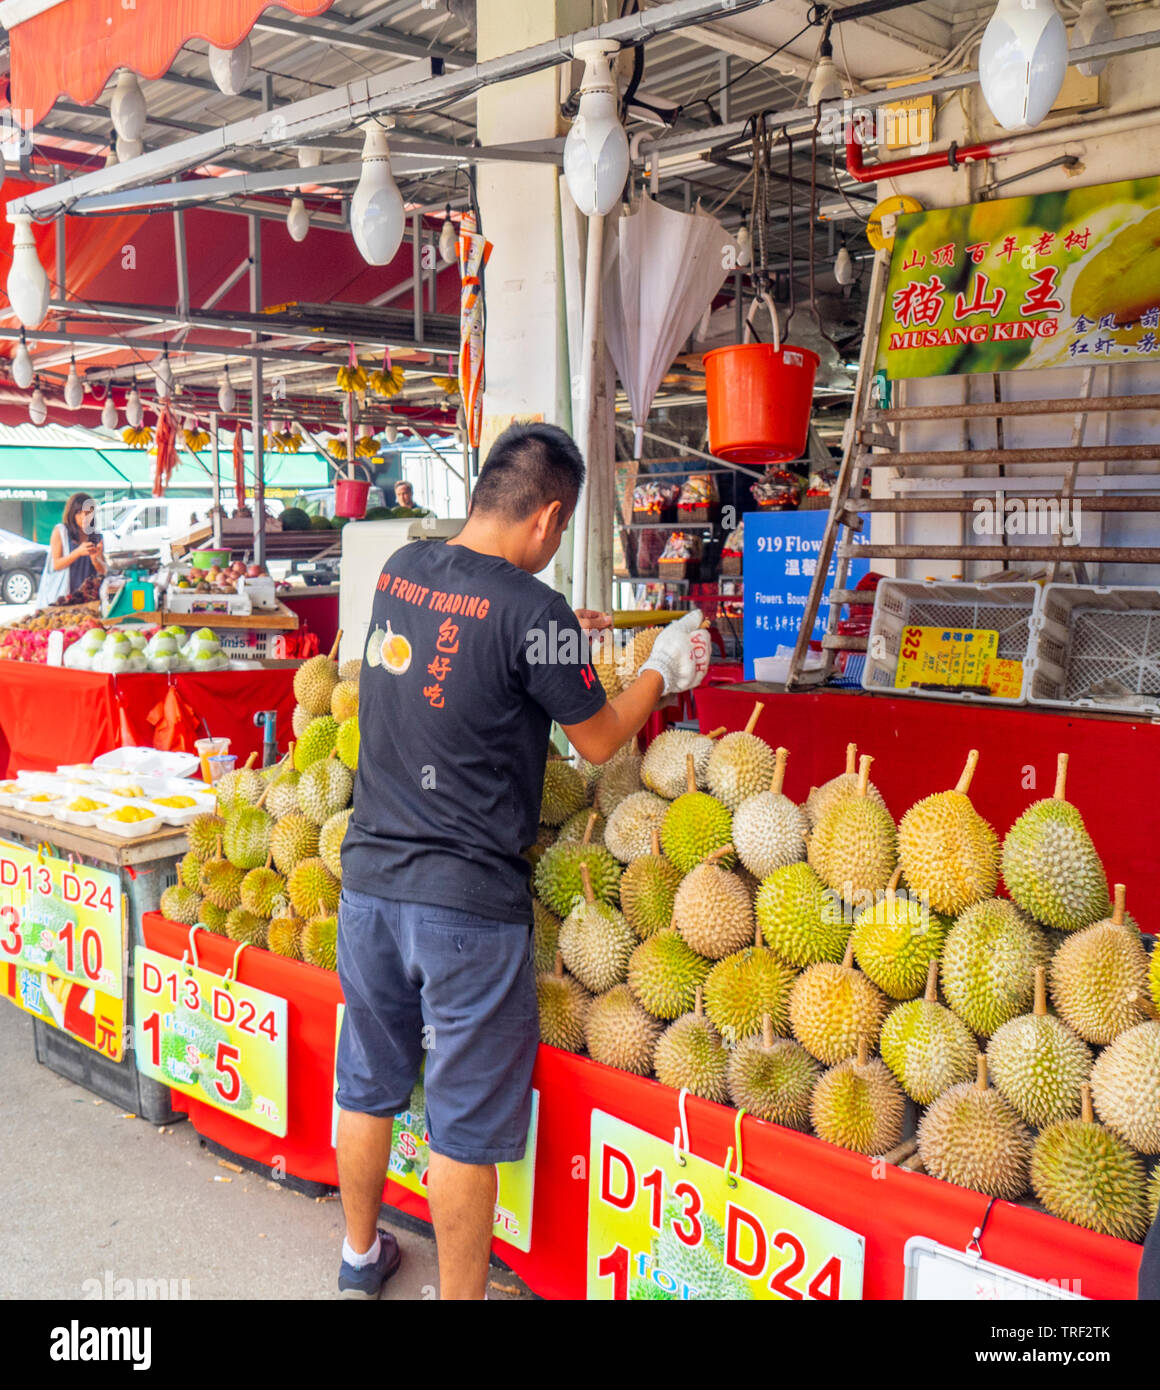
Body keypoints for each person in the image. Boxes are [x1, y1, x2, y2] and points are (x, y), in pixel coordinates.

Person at [334, 421, 708, 1300]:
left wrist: (562, 645)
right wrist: (659, 668)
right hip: (466, 906)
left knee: (369, 1081)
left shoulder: (402, 570)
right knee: (463, 1128)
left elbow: (462, 655)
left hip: (371, 883)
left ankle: (358, 1259)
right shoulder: (533, 612)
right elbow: (597, 741)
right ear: (547, 518)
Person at [37, 492, 106, 606]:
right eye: (79, 513)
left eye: (88, 513)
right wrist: (78, 552)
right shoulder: (61, 531)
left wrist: (95, 559)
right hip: (64, 596)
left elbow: (102, 571)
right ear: (72, 514)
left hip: (88, 598)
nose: (84, 517)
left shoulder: (97, 537)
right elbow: (57, 564)